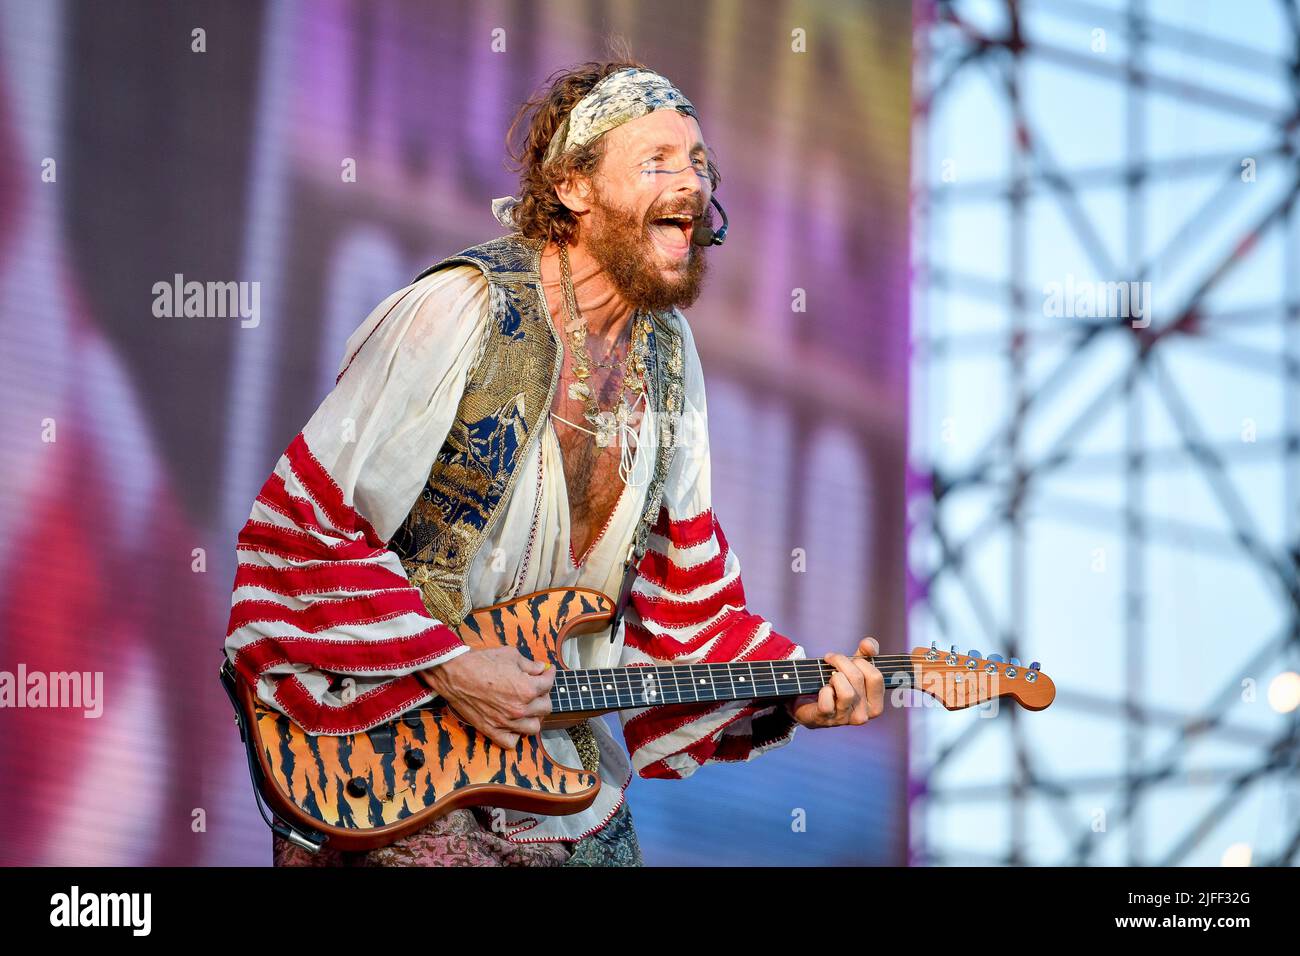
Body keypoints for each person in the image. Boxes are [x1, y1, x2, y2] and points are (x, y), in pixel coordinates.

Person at [223, 59, 883, 867]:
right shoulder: (463, 310)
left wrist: (792, 692)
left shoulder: (670, 357)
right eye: (657, 162)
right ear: (574, 186)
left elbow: (683, 608)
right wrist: (453, 666)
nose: (691, 183)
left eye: (699, 162)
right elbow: (297, 536)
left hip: (559, 788)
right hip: (387, 763)